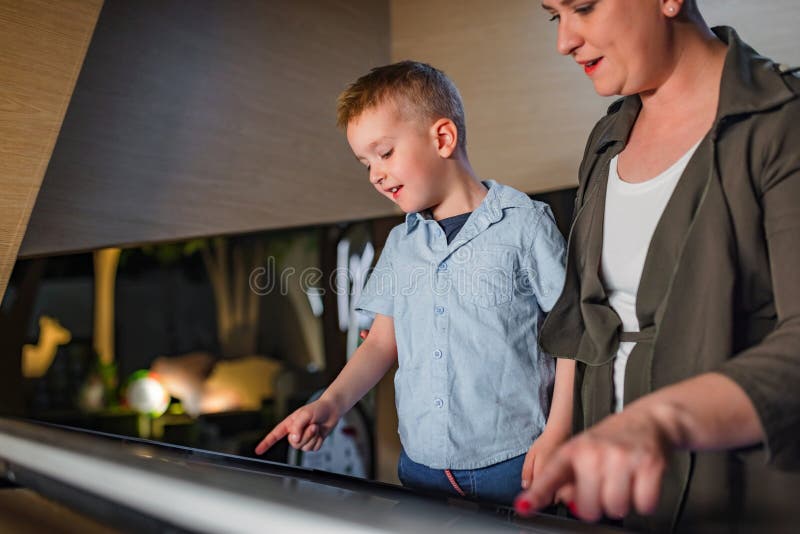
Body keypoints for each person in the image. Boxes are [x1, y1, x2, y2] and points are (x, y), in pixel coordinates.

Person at [514, 0, 800, 531]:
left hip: (739, 497)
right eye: (556, 16)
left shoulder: (783, 122)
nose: (565, 41)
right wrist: (562, 430)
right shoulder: (606, 140)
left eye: (583, 7)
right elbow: (582, 313)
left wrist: (660, 421)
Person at [255, 60, 573, 506]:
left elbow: (570, 336)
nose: (375, 175)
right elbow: (382, 343)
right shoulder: (400, 245)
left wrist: (558, 432)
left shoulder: (524, 225)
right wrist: (330, 405)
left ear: (442, 138)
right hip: (421, 467)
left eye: (384, 153)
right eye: (365, 163)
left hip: (515, 462)